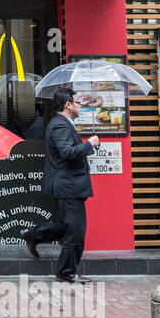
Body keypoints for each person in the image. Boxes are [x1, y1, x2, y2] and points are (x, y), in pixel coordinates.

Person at [22, 88, 100, 283]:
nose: (79, 105)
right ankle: (66, 272)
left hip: (68, 185)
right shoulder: (60, 125)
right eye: (77, 102)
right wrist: (89, 144)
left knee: (67, 227)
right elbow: (67, 152)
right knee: (76, 232)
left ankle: (33, 234)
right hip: (68, 186)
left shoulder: (63, 124)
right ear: (68, 104)